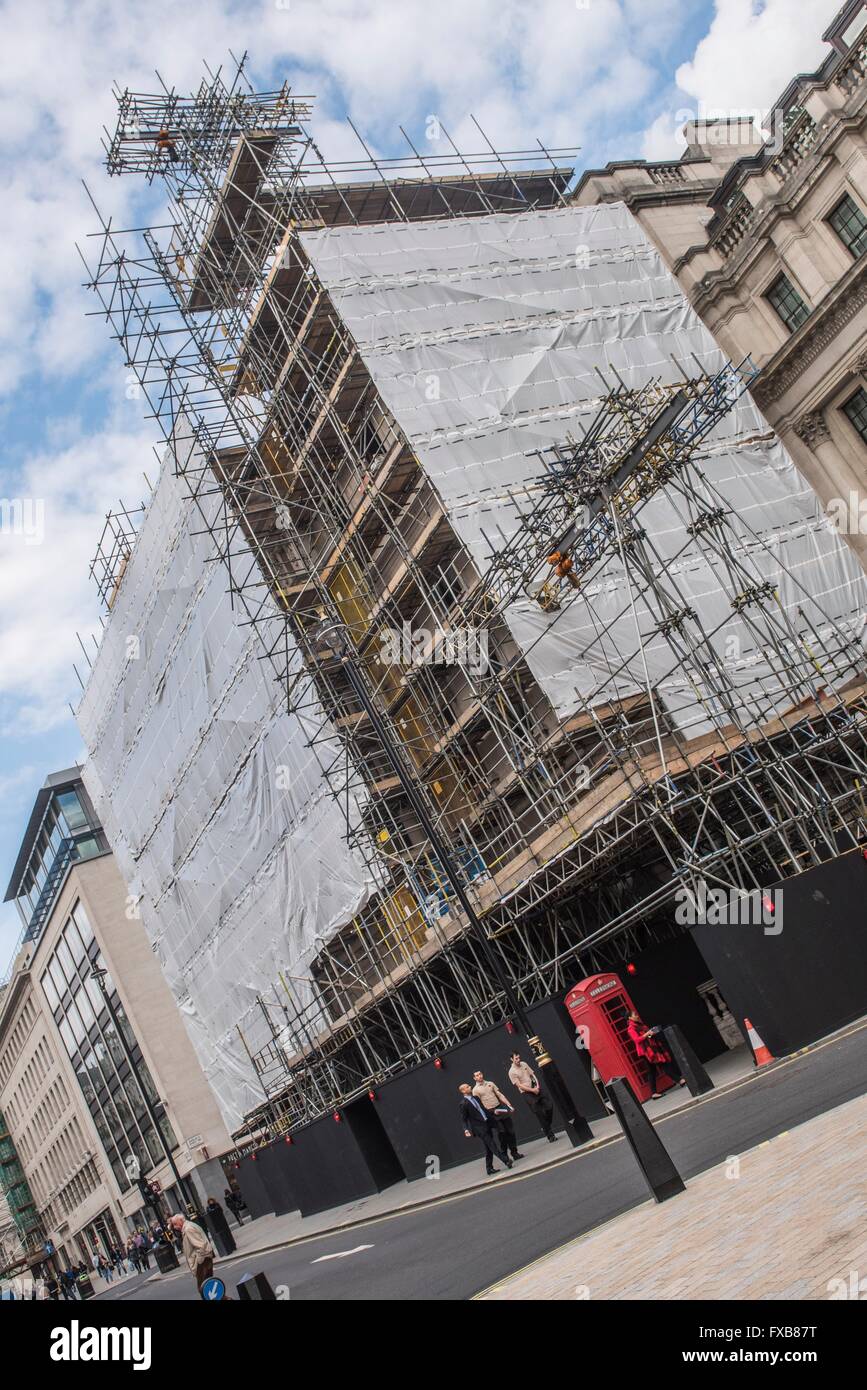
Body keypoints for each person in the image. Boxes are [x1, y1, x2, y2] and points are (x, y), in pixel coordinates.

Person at [627, 1011, 687, 1099]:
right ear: (630, 1018)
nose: (637, 1016)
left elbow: (647, 1037)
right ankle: (680, 1080)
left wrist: (651, 1034)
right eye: (635, 1015)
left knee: (652, 1072)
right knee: (662, 1065)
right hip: (645, 1052)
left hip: (651, 1049)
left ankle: (654, 1093)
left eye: (636, 1014)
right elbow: (637, 1040)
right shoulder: (631, 1028)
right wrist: (647, 1034)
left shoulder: (640, 1025)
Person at [459, 1084, 512, 1176]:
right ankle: (506, 1160)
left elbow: (483, 1110)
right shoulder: (463, 1103)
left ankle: (489, 1168)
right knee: (492, 1144)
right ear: (463, 1091)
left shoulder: (476, 1098)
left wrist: (492, 1113)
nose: (470, 1087)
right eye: (467, 1087)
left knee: (488, 1148)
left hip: (487, 1124)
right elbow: (464, 1119)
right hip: (479, 1128)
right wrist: (466, 1130)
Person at [472, 1069, 524, 1162]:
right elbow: (479, 1105)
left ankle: (514, 1152)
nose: (479, 1076)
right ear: (474, 1078)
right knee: (502, 1133)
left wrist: (508, 1105)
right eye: (477, 1075)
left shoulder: (490, 1083)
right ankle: (504, 1155)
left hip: (500, 1108)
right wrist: (490, 1112)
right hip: (491, 1113)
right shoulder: (475, 1090)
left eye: (480, 1074)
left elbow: (499, 1095)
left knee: (510, 1131)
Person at [508, 1051, 557, 1142]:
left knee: (549, 1106)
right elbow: (519, 1085)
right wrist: (532, 1090)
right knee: (539, 1113)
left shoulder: (524, 1064)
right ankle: (550, 1136)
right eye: (516, 1059)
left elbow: (532, 1075)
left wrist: (537, 1086)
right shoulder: (511, 1072)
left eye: (519, 1057)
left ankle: (546, 1125)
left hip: (536, 1088)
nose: (518, 1060)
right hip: (527, 1093)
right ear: (512, 1059)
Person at [169, 1212, 218, 1295]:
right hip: (204, 1260)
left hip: (202, 1262)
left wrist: (198, 1262)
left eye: (175, 1224)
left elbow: (201, 1246)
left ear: (181, 1221)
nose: (175, 1227)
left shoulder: (188, 1229)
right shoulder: (188, 1227)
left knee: (203, 1289)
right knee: (209, 1287)